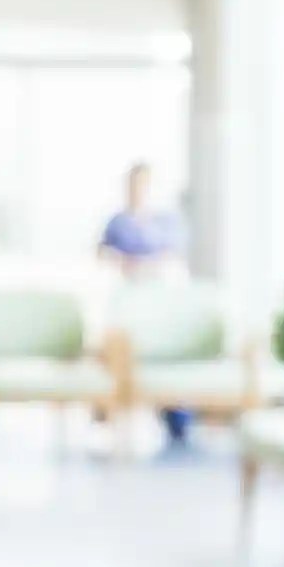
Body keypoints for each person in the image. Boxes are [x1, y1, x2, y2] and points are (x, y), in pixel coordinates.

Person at [98, 162, 193, 442]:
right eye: (133, 184)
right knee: (121, 352)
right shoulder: (118, 222)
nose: (138, 190)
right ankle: (109, 411)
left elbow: (174, 255)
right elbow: (103, 253)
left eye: (143, 185)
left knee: (165, 357)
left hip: (160, 298)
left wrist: (150, 265)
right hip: (128, 297)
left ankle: (176, 416)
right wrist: (125, 262)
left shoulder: (166, 221)